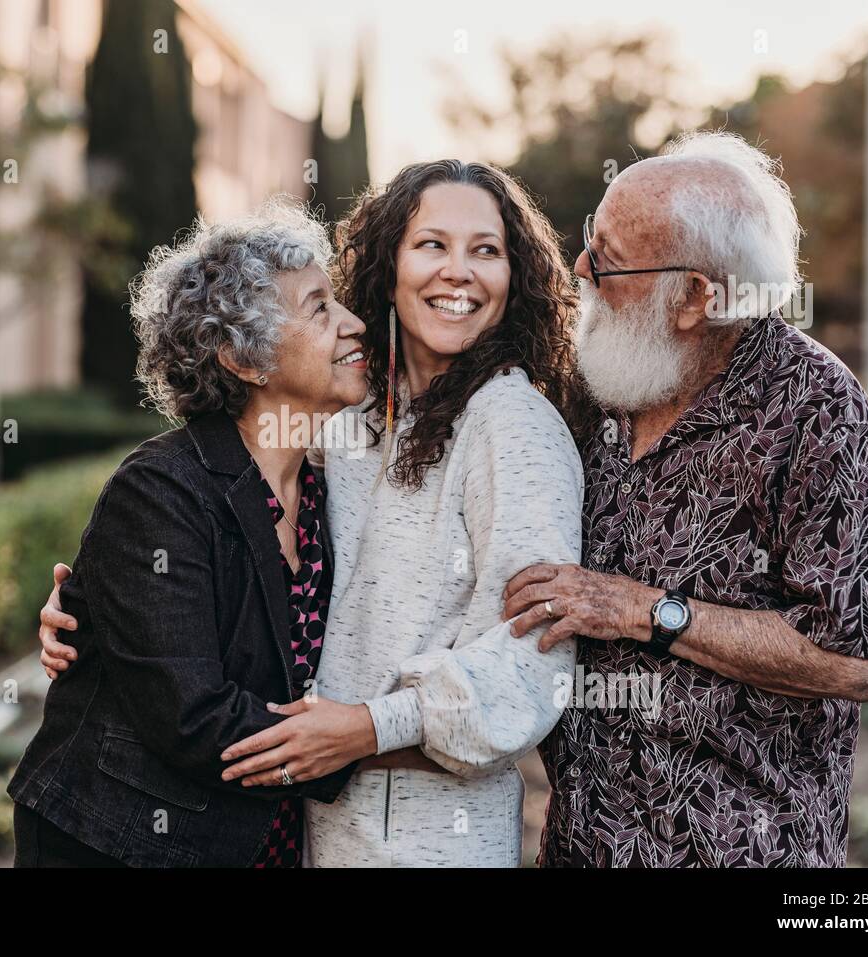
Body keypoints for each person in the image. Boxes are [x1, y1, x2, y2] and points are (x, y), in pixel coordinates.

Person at [41, 160, 585, 866]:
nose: (460, 272)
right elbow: (215, 577)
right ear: (389, 265)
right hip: (308, 830)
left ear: (516, 276)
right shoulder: (347, 424)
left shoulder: (514, 425)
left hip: (428, 841)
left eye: (487, 249)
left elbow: (532, 663)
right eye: (432, 245)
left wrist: (368, 727)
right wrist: (95, 614)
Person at [503, 131, 868, 867]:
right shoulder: (598, 380)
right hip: (580, 846)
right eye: (590, 242)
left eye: (611, 259)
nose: (582, 269)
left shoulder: (820, 409)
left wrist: (641, 608)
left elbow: (850, 659)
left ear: (695, 299)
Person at [9, 203, 381, 867]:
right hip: (116, 844)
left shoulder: (326, 488)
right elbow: (195, 720)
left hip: (255, 842)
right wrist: (379, 738)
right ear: (243, 357)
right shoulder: (160, 493)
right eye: (320, 308)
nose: (354, 325)